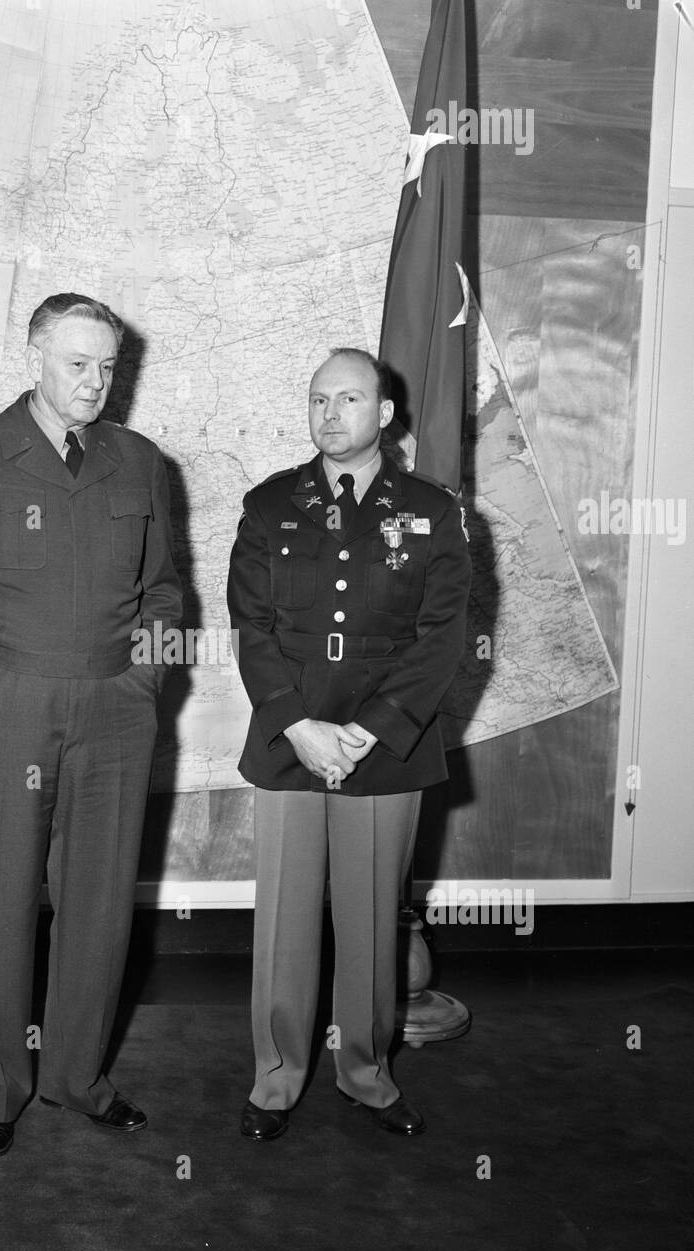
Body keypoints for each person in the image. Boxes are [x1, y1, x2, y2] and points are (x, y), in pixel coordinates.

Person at [0, 292, 182, 1157]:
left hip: (113, 713)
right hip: (1, 712)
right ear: (35, 356)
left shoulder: (140, 464)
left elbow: (167, 590)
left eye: (108, 366)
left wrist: (144, 681)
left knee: (100, 905)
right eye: (77, 363)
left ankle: (76, 1076)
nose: (95, 382)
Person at [226, 347, 471, 1141]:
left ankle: (366, 1074)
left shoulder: (433, 511)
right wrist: (300, 726)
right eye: (318, 399)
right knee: (285, 923)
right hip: (290, 744)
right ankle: (275, 1079)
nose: (331, 414)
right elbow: (252, 629)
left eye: (350, 399)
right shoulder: (268, 505)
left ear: (385, 413)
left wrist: (365, 731)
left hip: (385, 747)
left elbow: (442, 637)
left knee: (371, 920)